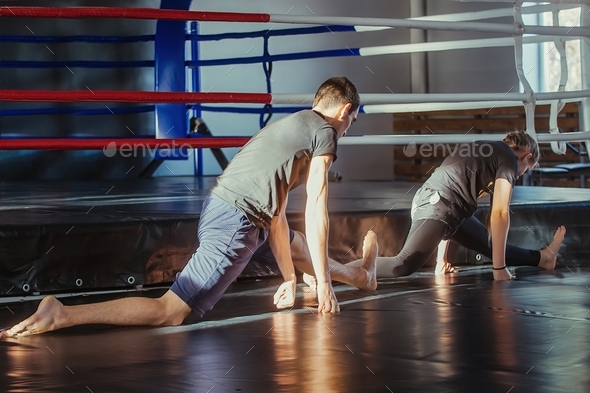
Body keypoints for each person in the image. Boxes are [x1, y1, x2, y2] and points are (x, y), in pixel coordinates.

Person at [2, 76, 377, 339]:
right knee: (171, 311)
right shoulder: (326, 131)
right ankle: (63, 314)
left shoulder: (290, 126)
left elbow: (277, 218)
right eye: (352, 123)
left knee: (295, 247)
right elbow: (315, 203)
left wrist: (292, 278)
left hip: (224, 209)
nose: (347, 131)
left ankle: (360, 277)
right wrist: (324, 288)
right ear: (345, 111)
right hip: (237, 223)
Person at [343, 131, 566, 282]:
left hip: (444, 206)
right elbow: (499, 213)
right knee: (402, 264)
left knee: (491, 245)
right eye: (526, 170)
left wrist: (443, 258)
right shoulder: (509, 159)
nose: (521, 174)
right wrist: (499, 270)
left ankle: (543, 258)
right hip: (437, 204)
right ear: (526, 157)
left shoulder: (488, 151)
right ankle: (329, 270)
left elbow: (455, 191)